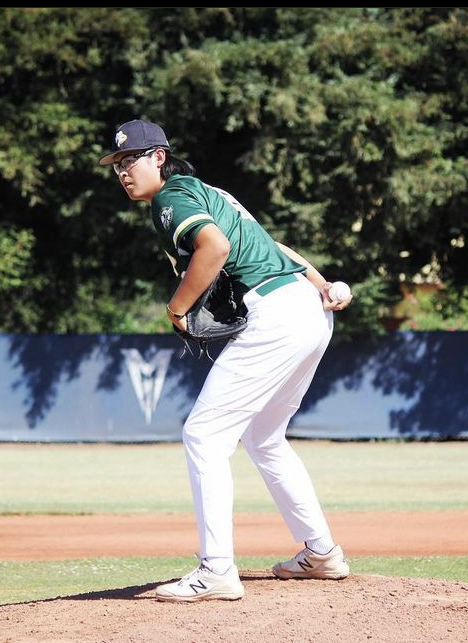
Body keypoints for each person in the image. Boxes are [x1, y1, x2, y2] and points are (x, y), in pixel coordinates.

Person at [99, 119, 352, 602]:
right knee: (264, 437)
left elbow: (215, 248)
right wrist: (320, 284)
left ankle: (216, 570)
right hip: (305, 308)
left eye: (131, 159)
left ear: (158, 157)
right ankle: (322, 553)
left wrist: (177, 308)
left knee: (203, 434)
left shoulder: (172, 197)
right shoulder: (207, 191)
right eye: (117, 164)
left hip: (276, 314)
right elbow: (271, 245)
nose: (123, 172)